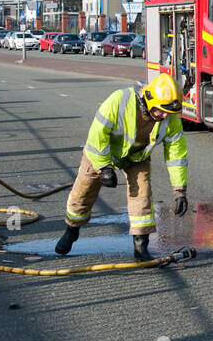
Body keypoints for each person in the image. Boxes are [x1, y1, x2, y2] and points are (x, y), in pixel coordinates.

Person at [55, 74, 190, 261]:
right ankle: (72, 230)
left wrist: (180, 191)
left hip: (136, 157)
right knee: (84, 191)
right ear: (150, 99)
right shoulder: (119, 101)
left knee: (142, 195)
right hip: (102, 153)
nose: (165, 115)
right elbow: (97, 136)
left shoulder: (169, 118)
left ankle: (141, 246)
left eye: (169, 112)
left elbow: (176, 155)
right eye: (162, 110)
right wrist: (104, 168)